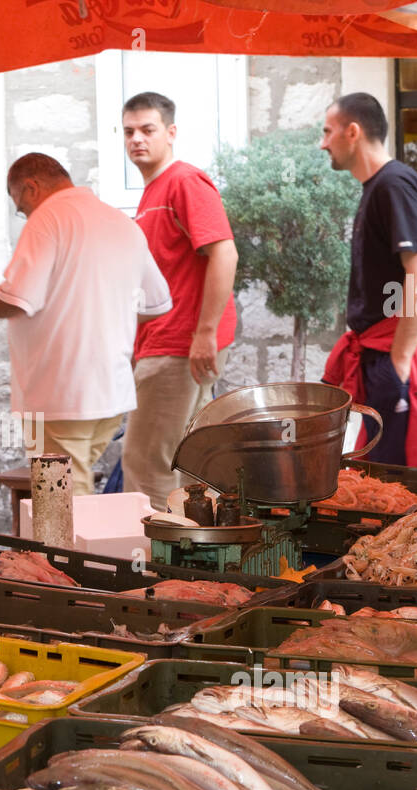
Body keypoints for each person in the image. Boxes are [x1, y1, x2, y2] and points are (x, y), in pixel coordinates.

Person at [0, 153, 171, 496]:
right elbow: (156, 302)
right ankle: (74, 549)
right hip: (109, 391)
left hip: (61, 392)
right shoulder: (121, 223)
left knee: (59, 499)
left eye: (20, 206)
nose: (24, 214)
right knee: (74, 485)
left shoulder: (48, 217)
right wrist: (105, 316)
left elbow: (18, 298)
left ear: (31, 188)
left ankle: (66, 552)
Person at [319, 93, 417, 468]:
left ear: (352, 132)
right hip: (386, 350)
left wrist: (399, 362)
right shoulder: (381, 185)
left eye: (327, 132)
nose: (323, 143)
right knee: (383, 475)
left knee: (401, 480)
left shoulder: (392, 185)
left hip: (402, 355)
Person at [119, 92, 239, 510]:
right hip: (165, 345)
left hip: (178, 347)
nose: (137, 139)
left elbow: (225, 252)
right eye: (129, 131)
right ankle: (188, 567)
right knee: (191, 469)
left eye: (148, 129)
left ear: (171, 133)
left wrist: (205, 333)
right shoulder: (153, 191)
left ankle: (146, 565)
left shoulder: (184, 181)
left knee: (145, 463)